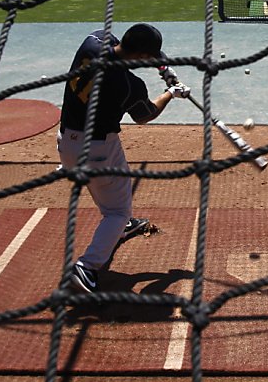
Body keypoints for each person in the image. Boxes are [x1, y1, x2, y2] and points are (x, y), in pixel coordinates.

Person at [59, 24, 189, 293]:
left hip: (66, 143)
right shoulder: (129, 84)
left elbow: (118, 41)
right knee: (118, 210)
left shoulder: (92, 42)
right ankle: (87, 267)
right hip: (98, 150)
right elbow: (145, 115)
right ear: (142, 55)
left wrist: (163, 68)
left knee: (109, 190)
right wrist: (171, 93)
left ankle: (121, 227)